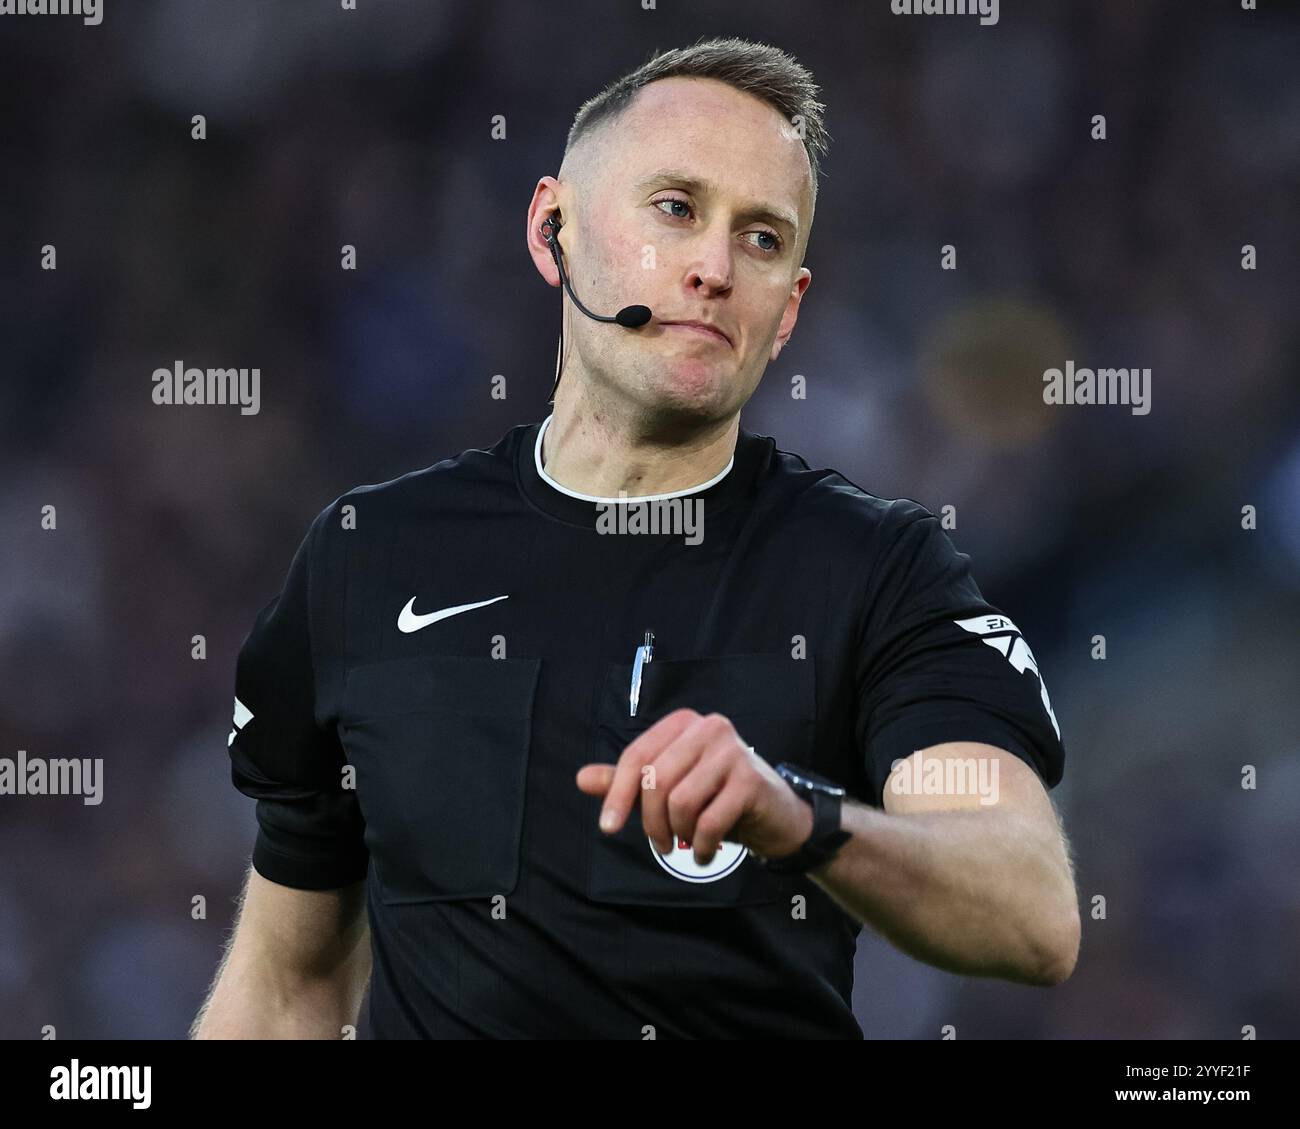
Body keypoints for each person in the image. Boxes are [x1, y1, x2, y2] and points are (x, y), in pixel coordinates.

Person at [193, 36, 1078, 1041]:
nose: (712, 267)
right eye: (676, 209)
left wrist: (805, 819)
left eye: (760, 240)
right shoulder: (367, 556)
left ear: (786, 310)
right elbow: (284, 990)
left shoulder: (877, 571)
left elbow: (1029, 905)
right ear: (553, 231)